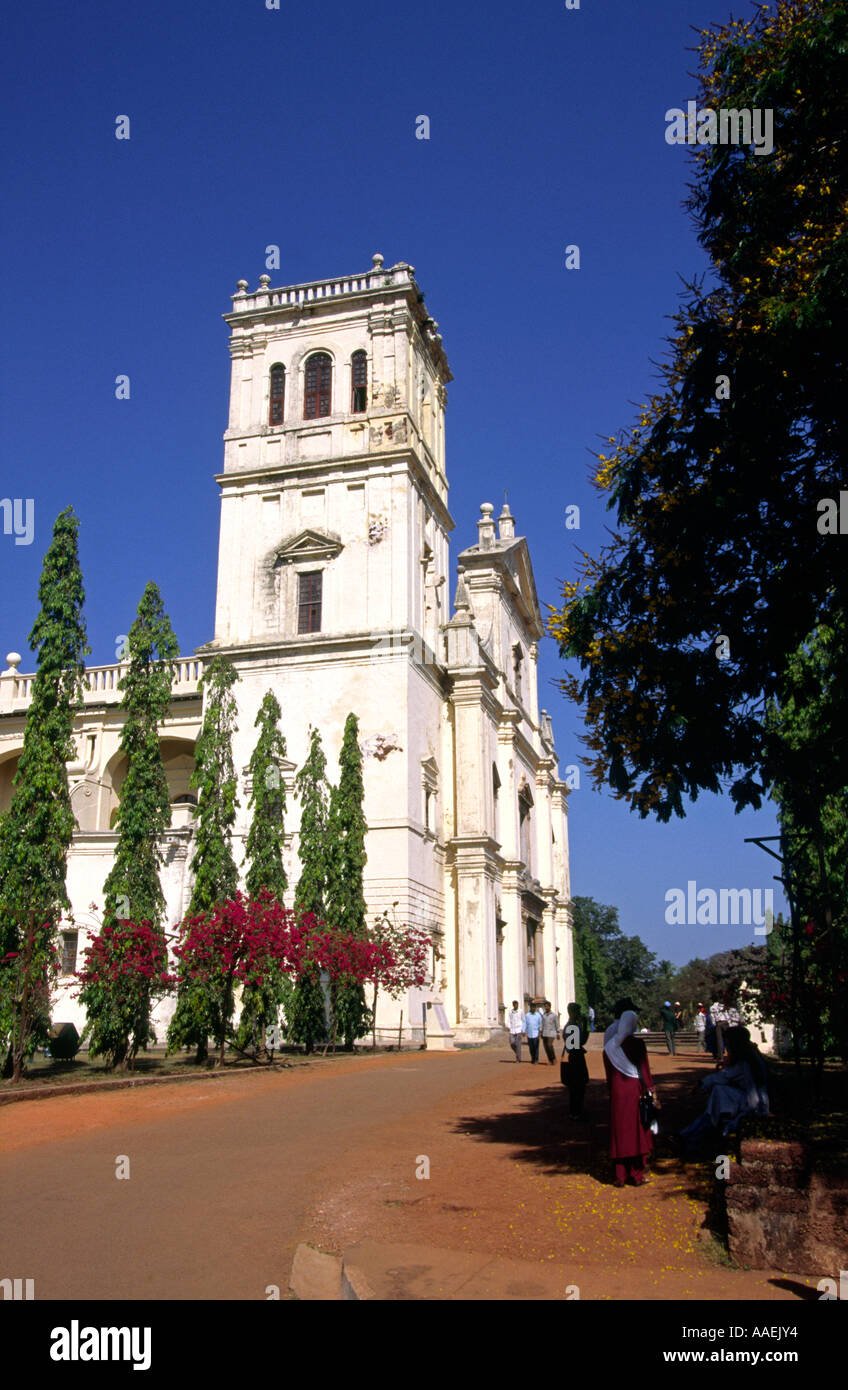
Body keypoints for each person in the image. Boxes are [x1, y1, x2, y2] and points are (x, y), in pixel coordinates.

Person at [677, 1026, 769, 1155]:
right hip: (751, 1101)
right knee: (717, 1101)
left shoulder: (744, 1063)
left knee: (718, 1094)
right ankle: (687, 1136)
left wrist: (700, 1085)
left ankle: (690, 1140)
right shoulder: (751, 1056)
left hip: (751, 1105)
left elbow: (722, 1076)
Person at [603, 1009, 660, 1186]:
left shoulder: (609, 1047)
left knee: (620, 1131)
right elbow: (644, 1070)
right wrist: (652, 1091)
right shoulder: (636, 1045)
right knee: (638, 1130)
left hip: (617, 1093)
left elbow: (608, 1074)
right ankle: (636, 1174)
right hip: (635, 1091)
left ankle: (620, 1176)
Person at [562, 1003, 589, 1118]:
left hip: (573, 1056)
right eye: (577, 1011)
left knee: (576, 1086)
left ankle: (575, 1111)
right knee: (578, 1086)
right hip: (575, 1057)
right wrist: (585, 1025)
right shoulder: (573, 1027)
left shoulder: (571, 1025)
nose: (579, 1014)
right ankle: (576, 1112)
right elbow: (581, 1042)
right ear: (572, 1012)